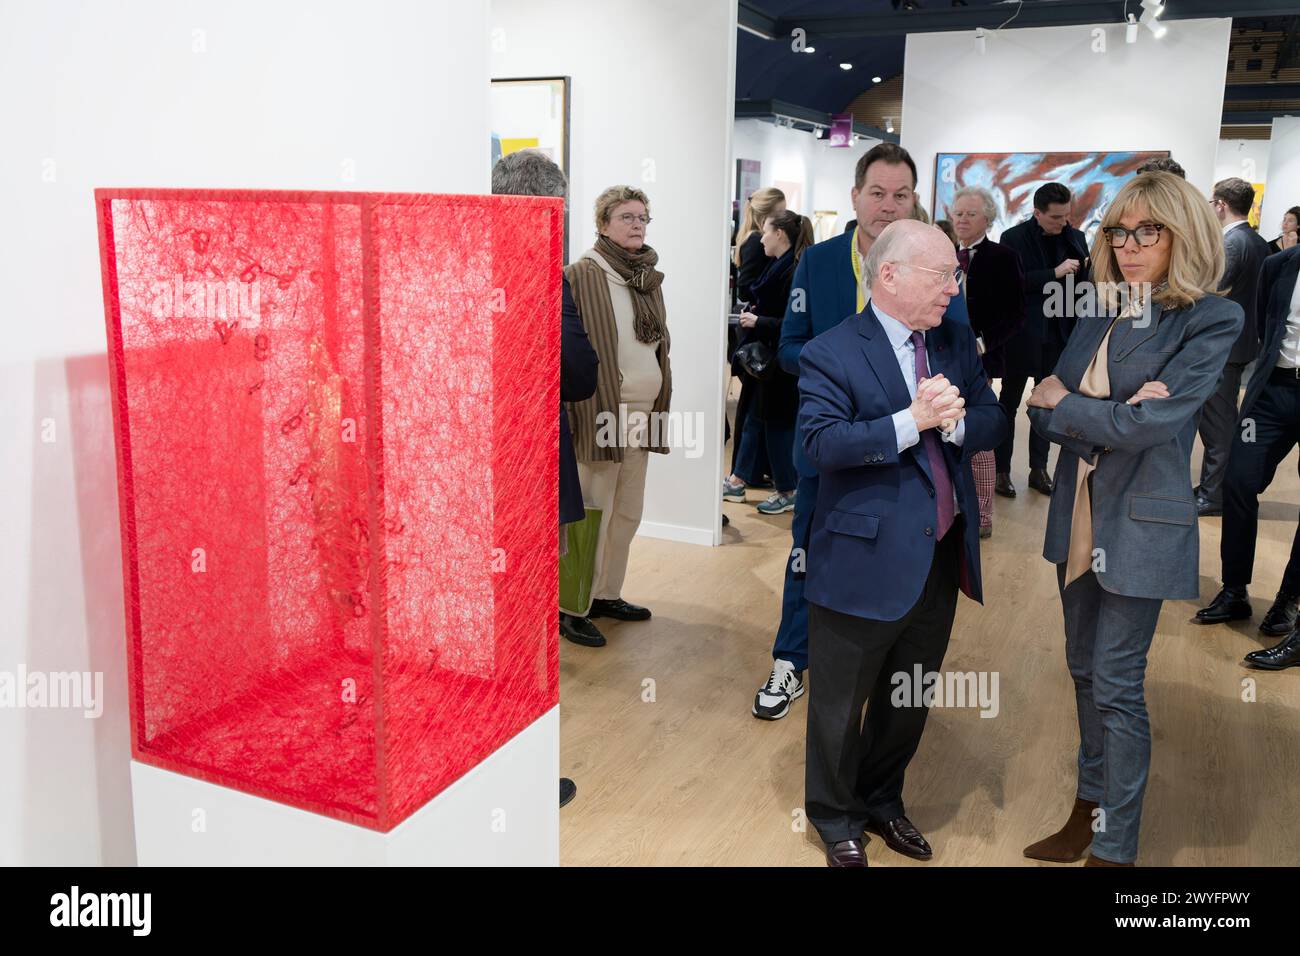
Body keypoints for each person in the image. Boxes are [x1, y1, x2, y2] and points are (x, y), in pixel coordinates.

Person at [1024, 171, 1242, 866]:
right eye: (1120, 230)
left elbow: (1154, 426)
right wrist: (1111, 415)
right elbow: (1038, 408)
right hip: (1079, 510)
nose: (1129, 244)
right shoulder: (1101, 305)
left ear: (1186, 235)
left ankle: (1114, 846)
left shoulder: (1210, 317)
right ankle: (1087, 810)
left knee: (1117, 682)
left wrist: (1080, 407)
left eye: (1148, 230)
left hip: (1141, 522)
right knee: (1082, 669)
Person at [799, 220, 1008, 866]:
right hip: (860, 561)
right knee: (839, 707)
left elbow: (993, 418)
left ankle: (883, 800)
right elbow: (817, 446)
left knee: (908, 697)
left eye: (954, 274)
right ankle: (835, 818)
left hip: (938, 558)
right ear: (889, 276)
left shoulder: (951, 340)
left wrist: (955, 424)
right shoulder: (831, 351)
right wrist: (910, 422)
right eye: (942, 274)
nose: (954, 287)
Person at [751, 142, 921, 721]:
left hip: (905, 448)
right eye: (877, 193)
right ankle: (790, 658)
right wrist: (846, 370)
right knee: (806, 551)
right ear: (855, 197)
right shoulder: (819, 263)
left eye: (901, 195)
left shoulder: (935, 265)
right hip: (825, 444)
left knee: (893, 561)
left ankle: (872, 673)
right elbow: (789, 347)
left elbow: (950, 350)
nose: (888, 206)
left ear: (914, 199)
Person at [491, 150, 599, 802]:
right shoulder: (535, 273)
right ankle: (520, 773)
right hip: (524, 476)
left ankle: (491, 760)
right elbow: (579, 374)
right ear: (546, 206)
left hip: (471, 480)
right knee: (524, 631)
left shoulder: (450, 258)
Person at [561, 186, 672, 646]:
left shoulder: (645, 277)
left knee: (627, 511)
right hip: (599, 411)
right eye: (626, 216)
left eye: (643, 217)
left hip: (642, 413)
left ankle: (607, 593)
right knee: (592, 511)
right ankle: (572, 606)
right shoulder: (583, 273)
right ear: (603, 223)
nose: (637, 224)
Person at [1194, 240, 1300, 667]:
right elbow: (1263, 327)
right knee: (1238, 481)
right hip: (1274, 391)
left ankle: (1288, 601)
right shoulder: (1279, 264)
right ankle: (1234, 590)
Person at [997, 182, 1091, 498]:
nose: (1062, 222)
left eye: (1066, 215)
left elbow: (1084, 287)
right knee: (1007, 404)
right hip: (1019, 337)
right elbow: (1011, 283)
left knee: (1047, 405)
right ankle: (1001, 472)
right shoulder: (1012, 239)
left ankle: (1039, 469)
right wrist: (1054, 272)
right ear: (1037, 212)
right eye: (1055, 217)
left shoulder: (1076, 238)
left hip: (1058, 337)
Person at [950, 185, 1026, 539]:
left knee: (977, 433)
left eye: (970, 214)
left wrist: (982, 344)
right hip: (939, 358)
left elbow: (1015, 315)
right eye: (958, 213)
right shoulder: (942, 253)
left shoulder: (1004, 257)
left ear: (988, 219)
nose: (962, 220)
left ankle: (982, 513)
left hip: (982, 360)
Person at [1196, 178, 1271, 517]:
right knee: (1220, 422)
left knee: (1219, 425)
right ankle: (1211, 488)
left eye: (1213, 202)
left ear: (1221, 204)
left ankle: (1213, 496)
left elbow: (1212, 289)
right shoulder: (1255, 240)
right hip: (1237, 345)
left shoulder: (1234, 242)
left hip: (1224, 348)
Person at [733, 211, 815, 515]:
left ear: (780, 233)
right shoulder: (777, 266)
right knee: (757, 420)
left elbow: (793, 323)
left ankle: (787, 489)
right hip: (768, 362)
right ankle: (739, 478)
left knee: (776, 425)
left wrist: (759, 320)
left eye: (765, 231)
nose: (761, 237)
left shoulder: (793, 271)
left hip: (780, 363)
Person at [725, 187, 785, 501]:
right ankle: (740, 475)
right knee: (754, 409)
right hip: (759, 337)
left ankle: (747, 473)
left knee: (758, 409)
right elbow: (748, 287)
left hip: (762, 332)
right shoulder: (754, 243)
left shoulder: (752, 240)